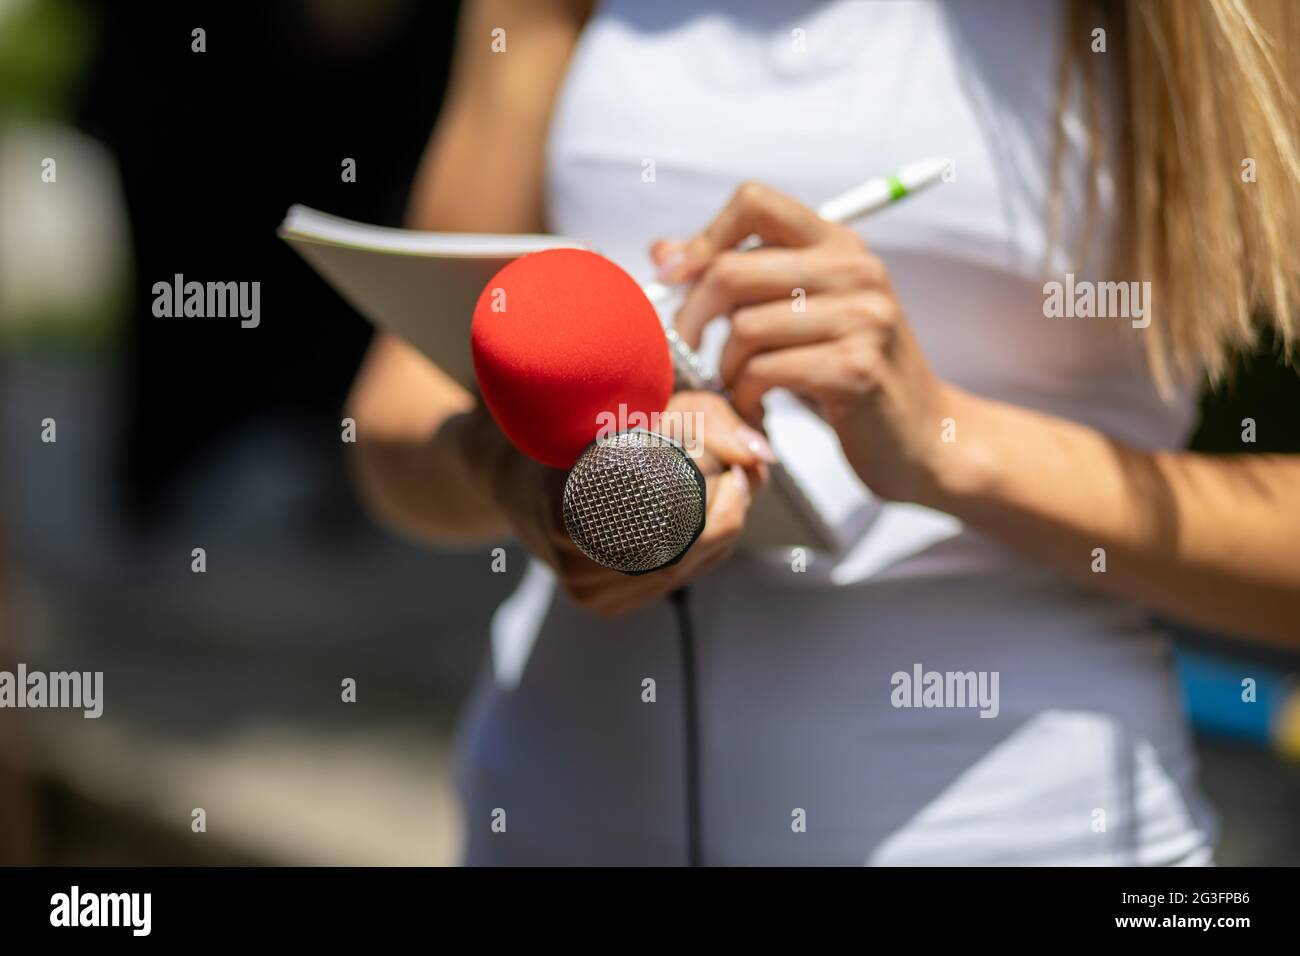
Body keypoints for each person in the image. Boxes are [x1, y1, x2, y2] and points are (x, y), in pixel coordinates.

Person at [345, 0, 1300, 864]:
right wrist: (522, 478)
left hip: (1023, 833)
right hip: (552, 811)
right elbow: (394, 420)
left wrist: (944, 442)